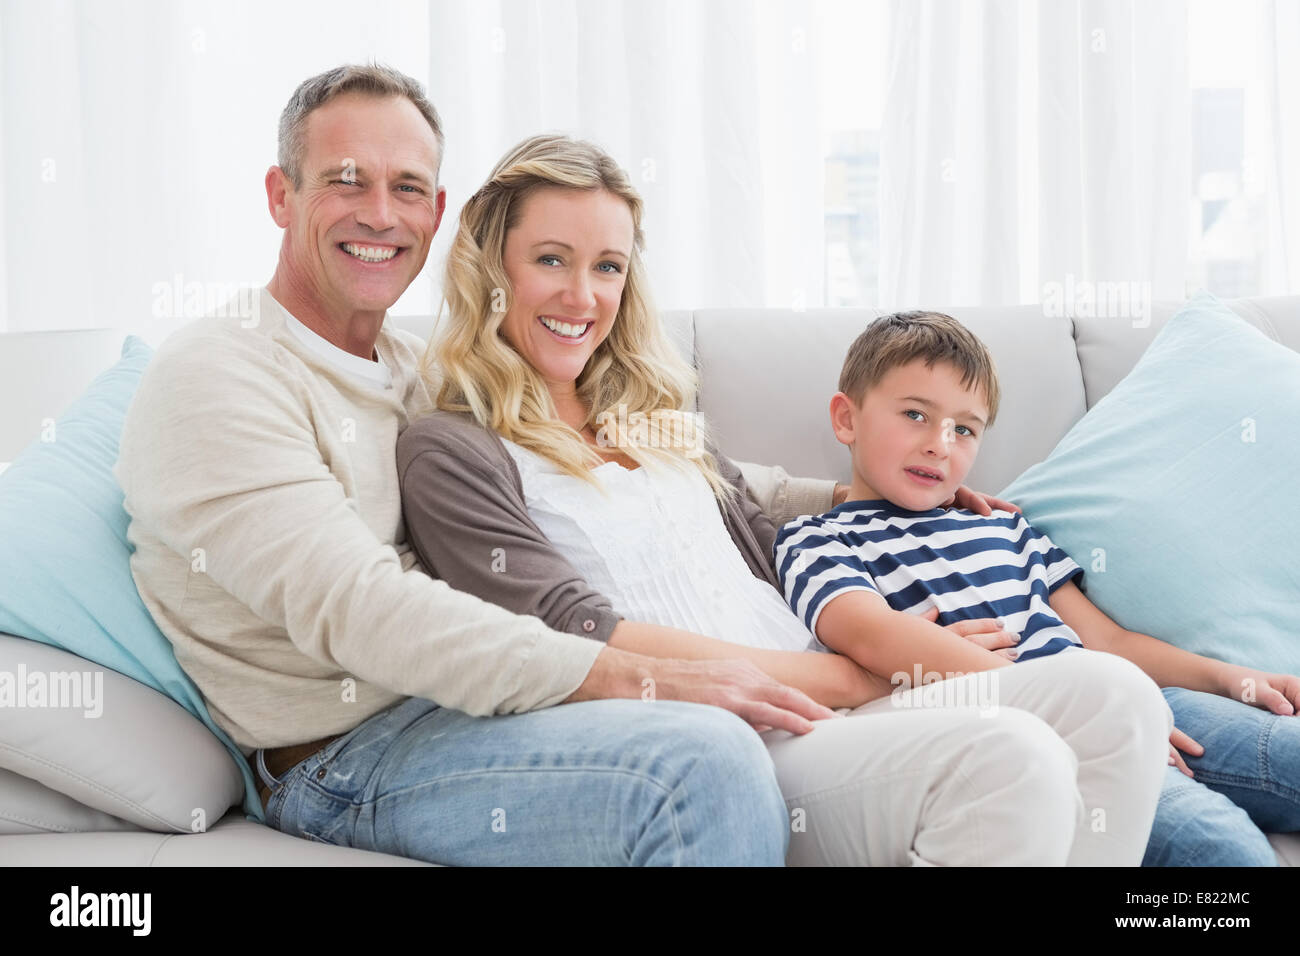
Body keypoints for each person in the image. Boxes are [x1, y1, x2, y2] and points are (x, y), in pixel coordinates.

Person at [112, 62, 867, 866]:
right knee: (700, 766)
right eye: (345, 180)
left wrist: (860, 491)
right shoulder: (218, 374)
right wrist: (634, 676)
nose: (380, 213)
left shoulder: (418, 369)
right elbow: (355, 605)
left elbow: (664, 463)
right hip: (346, 753)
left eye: (407, 188)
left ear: (437, 213)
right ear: (279, 195)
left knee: (713, 735)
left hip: (478, 706)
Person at [396, 132, 1175, 865]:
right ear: (492, 269)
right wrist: (866, 675)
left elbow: (761, 520)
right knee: (1014, 755)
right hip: (731, 738)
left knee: (1118, 697)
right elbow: (574, 632)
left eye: (608, 266)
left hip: (835, 685)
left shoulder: (650, 421)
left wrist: (907, 505)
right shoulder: (454, 447)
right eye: (551, 259)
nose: (582, 294)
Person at [773, 309, 1300, 866]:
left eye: (964, 429)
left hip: (1139, 699)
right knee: (1221, 851)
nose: (939, 444)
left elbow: (1111, 644)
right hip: (1030, 738)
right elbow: (871, 635)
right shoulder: (815, 538)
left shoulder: (1004, 525)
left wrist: (1228, 677)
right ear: (847, 418)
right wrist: (1095, 715)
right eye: (914, 415)